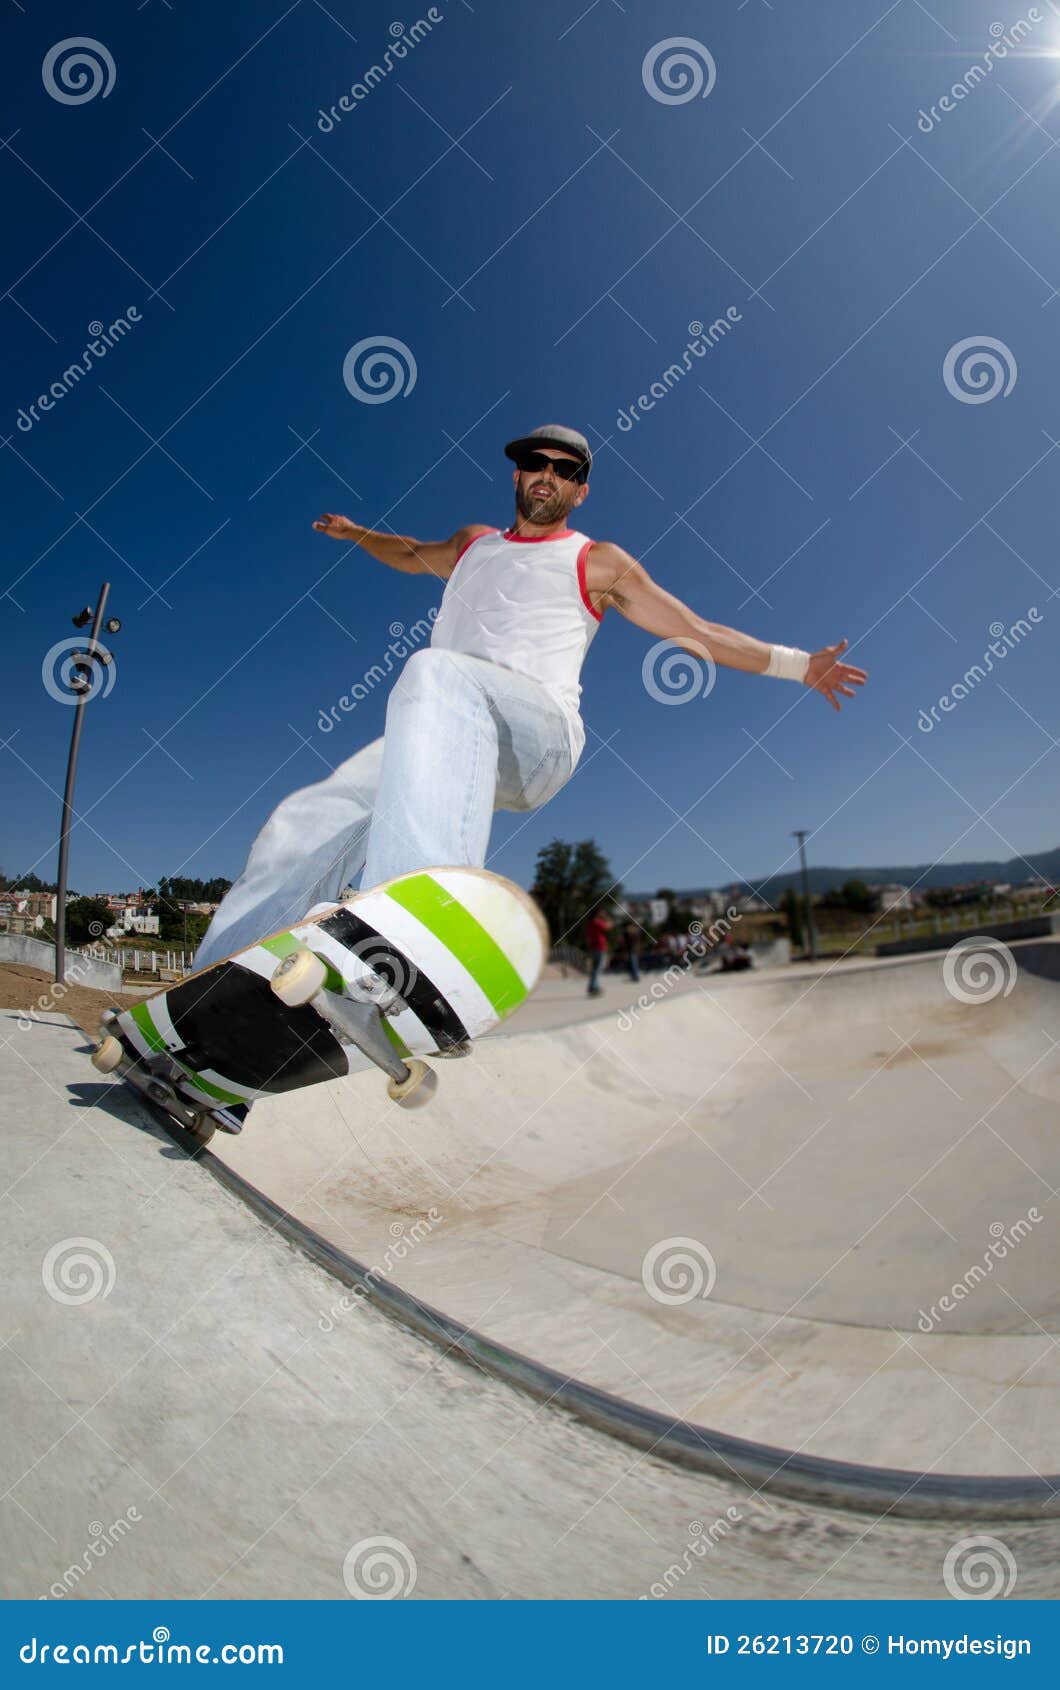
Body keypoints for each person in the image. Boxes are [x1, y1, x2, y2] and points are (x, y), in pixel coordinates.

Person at [195, 423, 867, 975]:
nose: (548, 475)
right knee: (309, 818)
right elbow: (409, 552)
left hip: (538, 737)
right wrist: (356, 533)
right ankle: (218, 976)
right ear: (517, 475)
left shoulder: (597, 560)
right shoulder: (472, 545)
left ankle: (416, 931)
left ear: (580, 491)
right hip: (442, 734)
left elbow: (697, 631)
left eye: (565, 470)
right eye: (536, 464)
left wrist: (797, 666)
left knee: (435, 673)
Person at [585, 909, 612, 996]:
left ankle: (592, 986)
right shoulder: (597, 922)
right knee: (596, 969)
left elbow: (588, 937)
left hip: (593, 947)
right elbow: (608, 926)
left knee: (594, 968)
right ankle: (594, 987)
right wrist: (606, 917)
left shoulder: (590, 923)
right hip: (599, 947)